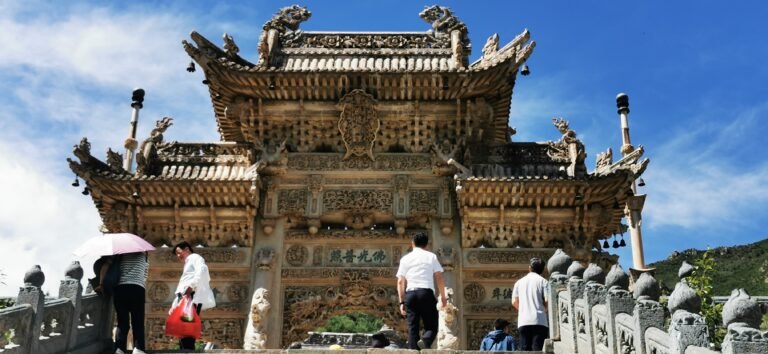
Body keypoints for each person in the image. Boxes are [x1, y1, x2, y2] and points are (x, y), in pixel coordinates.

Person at [396, 232, 447, 350]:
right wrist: (443, 297)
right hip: (426, 293)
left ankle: (413, 351)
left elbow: (400, 281)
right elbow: (439, 276)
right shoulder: (431, 256)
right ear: (426, 245)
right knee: (432, 326)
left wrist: (401, 302)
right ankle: (426, 340)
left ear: (412, 243)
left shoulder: (405, 258)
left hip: (410, 294)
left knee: (412, 328)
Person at [172, 241, 216, 350]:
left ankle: (188, 350)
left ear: (187, 249)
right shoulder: (188, 262)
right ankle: (185, 349)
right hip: (186, 296)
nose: (178, 256)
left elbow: (202, 270)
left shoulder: (194, 257)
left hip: (191, 295)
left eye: (179, 252)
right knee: (183, 326)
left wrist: (191, 285)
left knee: (187, 326)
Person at [112, 252, 149, 354]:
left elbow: (115, 270)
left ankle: (119, 349)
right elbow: (145, 275)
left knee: (122, 322)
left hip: (121, 288)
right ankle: (138, 349)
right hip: (137, 288)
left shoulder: (121, 255)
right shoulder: (143, 256)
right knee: (137, 321)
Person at [511, 257, 549, 351]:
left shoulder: (519, 282)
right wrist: (544, 310)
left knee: (525, 349)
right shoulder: (543, 281)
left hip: (524, 321)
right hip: (539, 320)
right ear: (542, 270)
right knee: (537, 349)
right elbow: (548, 300)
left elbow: (514, 302)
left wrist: (524, 310)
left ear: (529, 268)